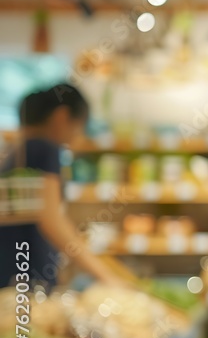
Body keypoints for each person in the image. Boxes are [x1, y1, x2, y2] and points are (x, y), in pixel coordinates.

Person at [0, 83, 125, 288]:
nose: (77, 136)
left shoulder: (15, 151)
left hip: (10, 269)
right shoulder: (44, 149)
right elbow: (50, 219)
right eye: (79, 126)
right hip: (29, 274)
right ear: (62, 116)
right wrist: (107, 277)